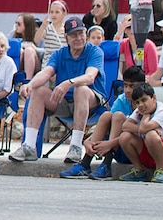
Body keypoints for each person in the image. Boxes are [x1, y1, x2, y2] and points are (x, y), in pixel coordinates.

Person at [9, 17, 106, 164]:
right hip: (64, 102)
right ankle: (29, 145)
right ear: (66, 37)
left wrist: (69, 82)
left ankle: (75, 146)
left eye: (81, 33)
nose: (79, 38)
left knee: (81, 88)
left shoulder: (95, 51)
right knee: (38, 91)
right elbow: (46, 73)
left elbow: (90, 76)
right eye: (74, 35)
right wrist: (30, 85)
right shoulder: (60, 53)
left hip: (92, 103)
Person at [61, 65, 144, 179]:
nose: (128, 90)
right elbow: (107, 124)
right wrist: (88, 141)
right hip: (118, 150)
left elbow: (141, 133)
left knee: (119, 116)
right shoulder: (122, 99)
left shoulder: (145, 104)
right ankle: (86, 163)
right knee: (107, 115)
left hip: (135, 151)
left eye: (132, 86)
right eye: (125, 86)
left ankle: (107, 164)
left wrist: (110, 144)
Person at [117, 82, 163, 182]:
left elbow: (145, 128)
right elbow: (125, 126)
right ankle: (139, 170)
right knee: (124, 136)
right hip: (149, 154)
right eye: (137, 102)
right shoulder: (141, 110)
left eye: (144, 100)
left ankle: (161, 171)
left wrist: (145, 118)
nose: (141, 105)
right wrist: (143, 127)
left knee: (151, 135)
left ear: (154, 98)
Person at [11, 14, 42, 80]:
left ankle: (28, 80)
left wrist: (35, 48)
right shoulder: (13, 33)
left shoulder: (39, 34)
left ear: (27, 24)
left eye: (19, 24)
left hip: (37, 63)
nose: (16, 26)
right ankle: (12, 76)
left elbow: (46, 51)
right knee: (20, 51)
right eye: (15, 23)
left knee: (29, 50)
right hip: (21, 62)